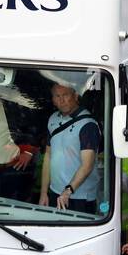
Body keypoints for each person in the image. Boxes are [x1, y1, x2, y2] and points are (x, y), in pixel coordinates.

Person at [39, 83, 102, 213]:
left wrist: (68, 191)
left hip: (80, 197)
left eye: (65, 95)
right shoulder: (53, 119)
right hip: (55, 192)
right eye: (57, 96)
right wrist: (44, 192)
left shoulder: (88, 124)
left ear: (76, 95)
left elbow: (87, 166)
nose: (62, 100)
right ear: (53, 100)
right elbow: (48, 156)